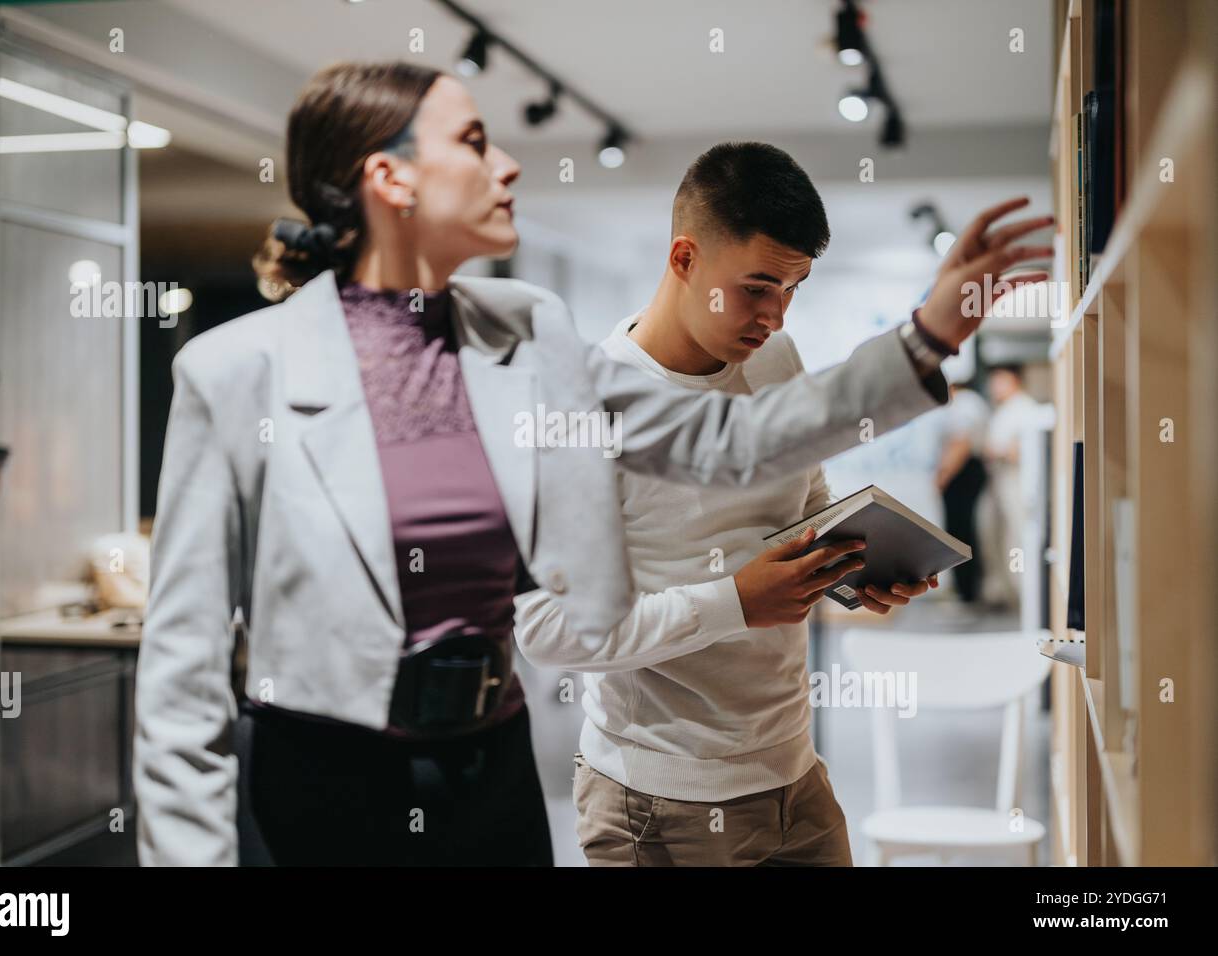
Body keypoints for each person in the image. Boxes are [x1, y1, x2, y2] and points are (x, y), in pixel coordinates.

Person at [134, 60, 1052, 866]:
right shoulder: (234, 373)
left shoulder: (525, 329)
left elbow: (728, 441)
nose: (510, 163)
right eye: (476, 140)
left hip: (489, 772)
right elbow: (181, 678)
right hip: (323, 777)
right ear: (390, 178)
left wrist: (927, 337)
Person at [515, 142, 941, 867]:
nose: (775, 316)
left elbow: (805, 502)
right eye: (757, 287)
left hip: (795, 776)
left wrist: (850, 567)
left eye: (795, 288)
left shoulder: (775, 359)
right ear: (685, 259)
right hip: (658, 801)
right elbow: (546, 631)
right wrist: (735, 602)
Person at [981, 365, 1043, 607]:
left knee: (1018, 539)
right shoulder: (1005, 409)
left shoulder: (1025, 408)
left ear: (1014, 380)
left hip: (1017, 482)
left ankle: (1027, 598)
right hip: (1000, 482)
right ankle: (1011, 595)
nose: (994, 387)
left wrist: (998, 452)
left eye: (1000, 381)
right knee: (998, 538)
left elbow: (1020, 451)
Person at [934, 382, 991, 603]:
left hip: (963, 473)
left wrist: (943, 476)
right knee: (962, 530)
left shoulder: (964, 404)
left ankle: (967, 592)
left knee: (959, 532)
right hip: (966, 472)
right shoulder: (970, 402)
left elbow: (962, 444)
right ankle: (967, 590)